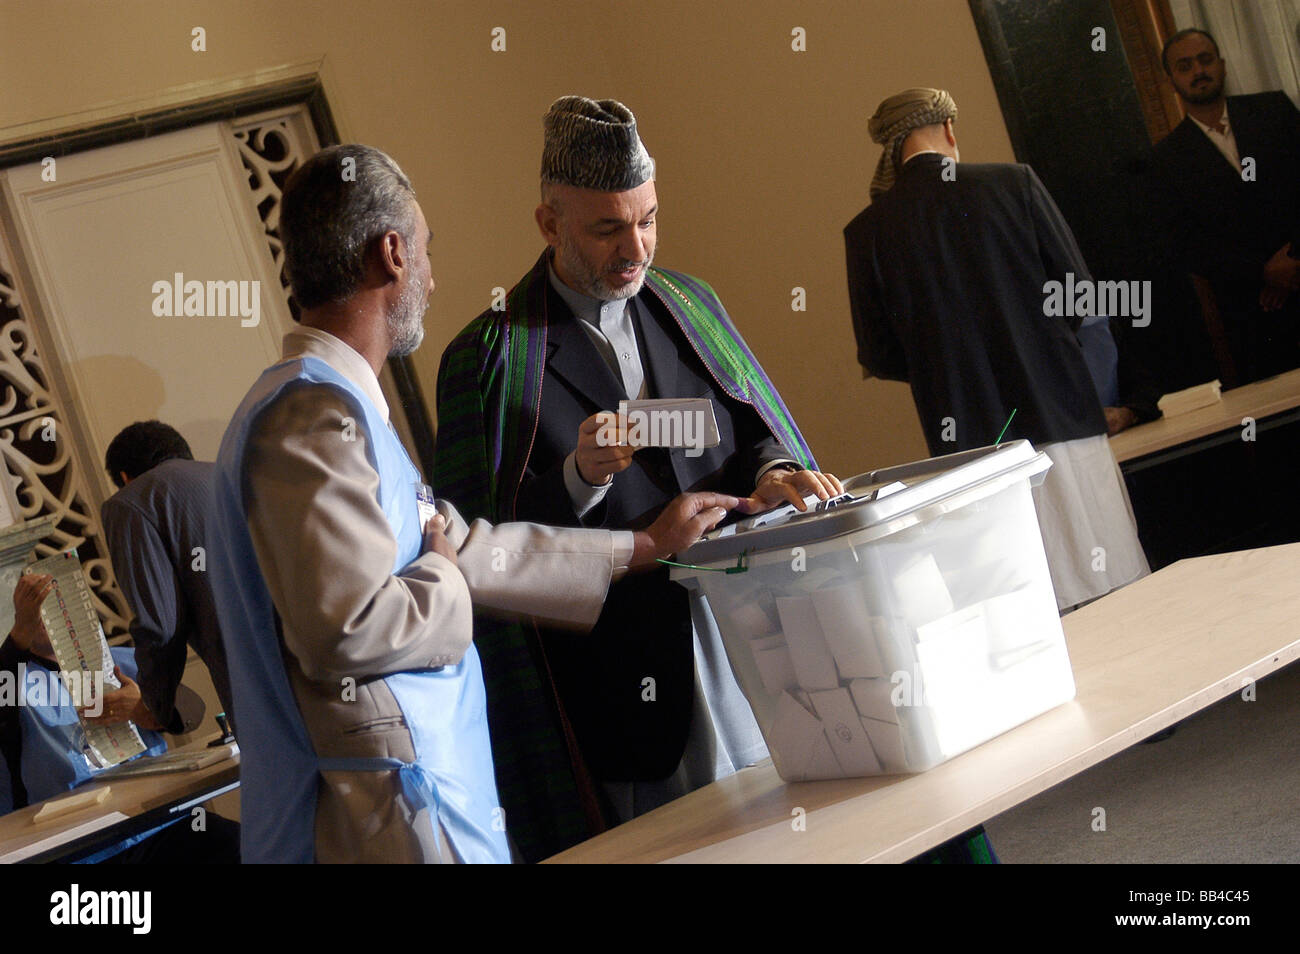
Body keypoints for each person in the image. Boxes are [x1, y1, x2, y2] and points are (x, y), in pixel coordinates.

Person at [206, 142, 734, 864]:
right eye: (425, 248)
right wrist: (448, 575)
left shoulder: (336, 407)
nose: (431, 272)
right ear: (391, 253)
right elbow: (347, 630)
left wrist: (642, 549)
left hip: (417, 796)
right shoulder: (312, 421)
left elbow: (473, 546)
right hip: (388, 815)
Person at [436, 96, 841, 856]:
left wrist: (780, 469)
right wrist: (578, 475)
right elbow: (481, 554)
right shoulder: (490, 358)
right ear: (549, 224)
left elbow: (751, 430)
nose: (637, 247)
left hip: (750, 634)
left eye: (648, 218)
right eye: (607, 228)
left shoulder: (692, 303)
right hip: (625, 679)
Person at [843, 87, 1149, 613]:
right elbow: (1083, 299)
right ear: (949, 130)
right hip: (1064, 423)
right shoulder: (1015, 184)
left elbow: (880, 355)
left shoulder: (867, 230)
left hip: (970, 453)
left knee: (1027, 613)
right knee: (1117, 587)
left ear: (892, 146)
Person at [0, 574, 239, 862]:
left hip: (158, 825)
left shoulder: (120, 663)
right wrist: (17, 641)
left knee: (243, 846)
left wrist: (145, 706)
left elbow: (192, 714)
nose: (51, 616)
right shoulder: (16, 682)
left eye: (62, 604)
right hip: (86, 850)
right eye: (37, 609)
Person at [1149, 28, 1300, 385]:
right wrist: (1265, 273)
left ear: (1222, 64)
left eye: (1205, 59)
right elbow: (1186, 245)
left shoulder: (1274, 110)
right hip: (1255, 316)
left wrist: (1294, 256)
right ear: (1171, 81)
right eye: (1185, 66)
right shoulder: (1166, 161)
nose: (1199, 71)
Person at [100, 421, 229, 734]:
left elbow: (160, 623)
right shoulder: (231, 475)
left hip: (258, 683)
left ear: (125, 478)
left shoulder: (130, 502)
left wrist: (154, 705)